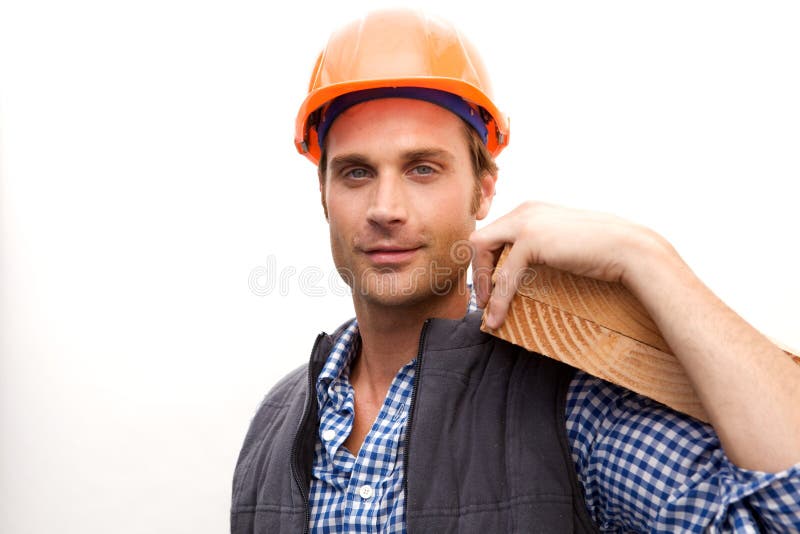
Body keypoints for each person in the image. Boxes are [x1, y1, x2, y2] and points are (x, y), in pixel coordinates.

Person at [231, 8, 800, 533]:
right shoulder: (275, 424)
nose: (386, 208)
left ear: (483, 190)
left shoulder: (567, 407)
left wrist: (647, 257)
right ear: (325, 195)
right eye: (356, 173)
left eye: (422, 168)